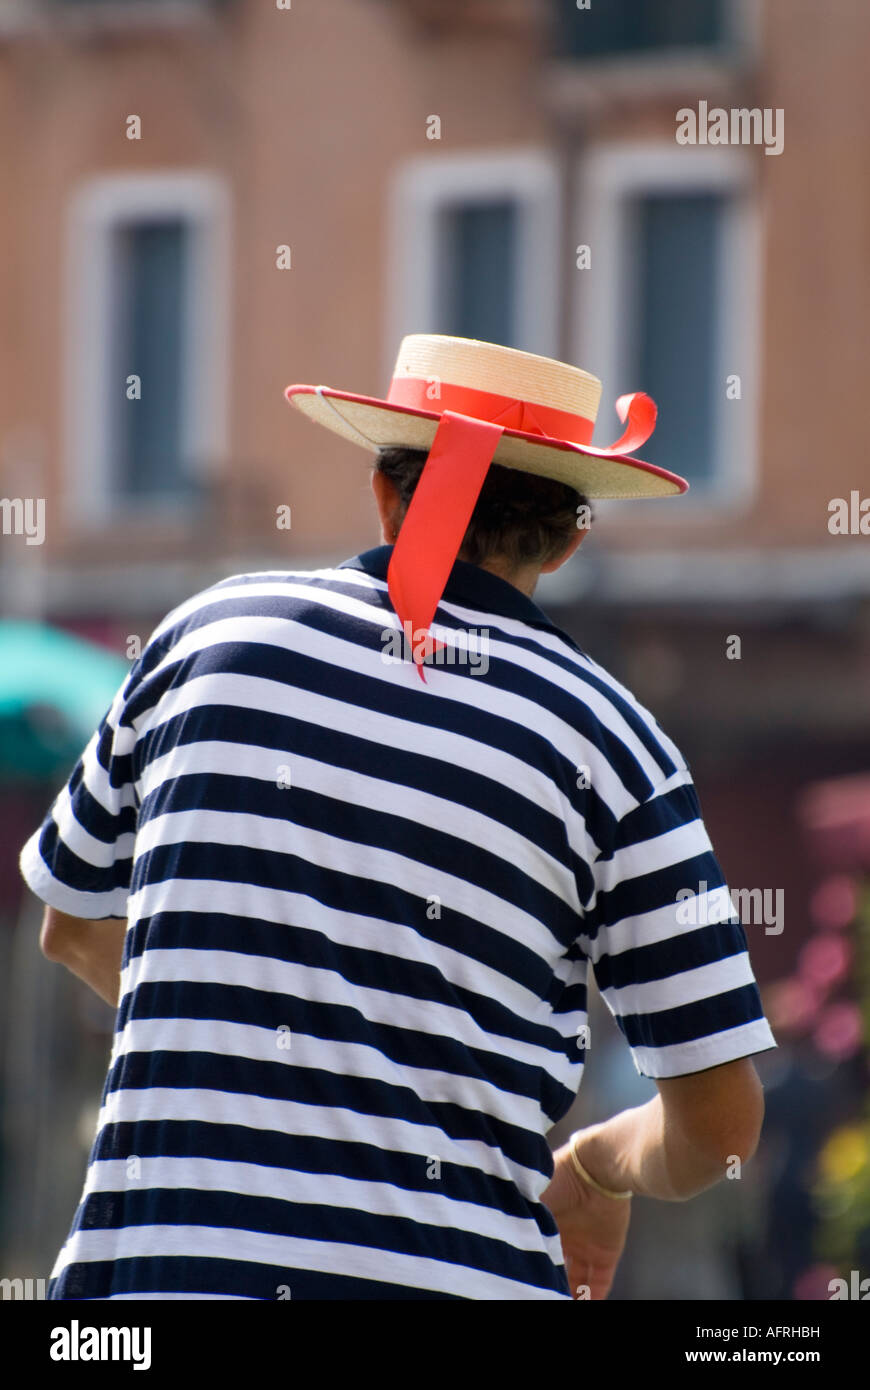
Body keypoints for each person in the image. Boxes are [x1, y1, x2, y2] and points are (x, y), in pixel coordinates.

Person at [20, 334, 775, 1300]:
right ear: (572, 535)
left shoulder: (202, 637)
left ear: (385, 490)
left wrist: (244, 1032)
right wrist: (593, 1169)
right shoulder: (615, 744)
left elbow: (69, 920)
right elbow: (720, 1129)